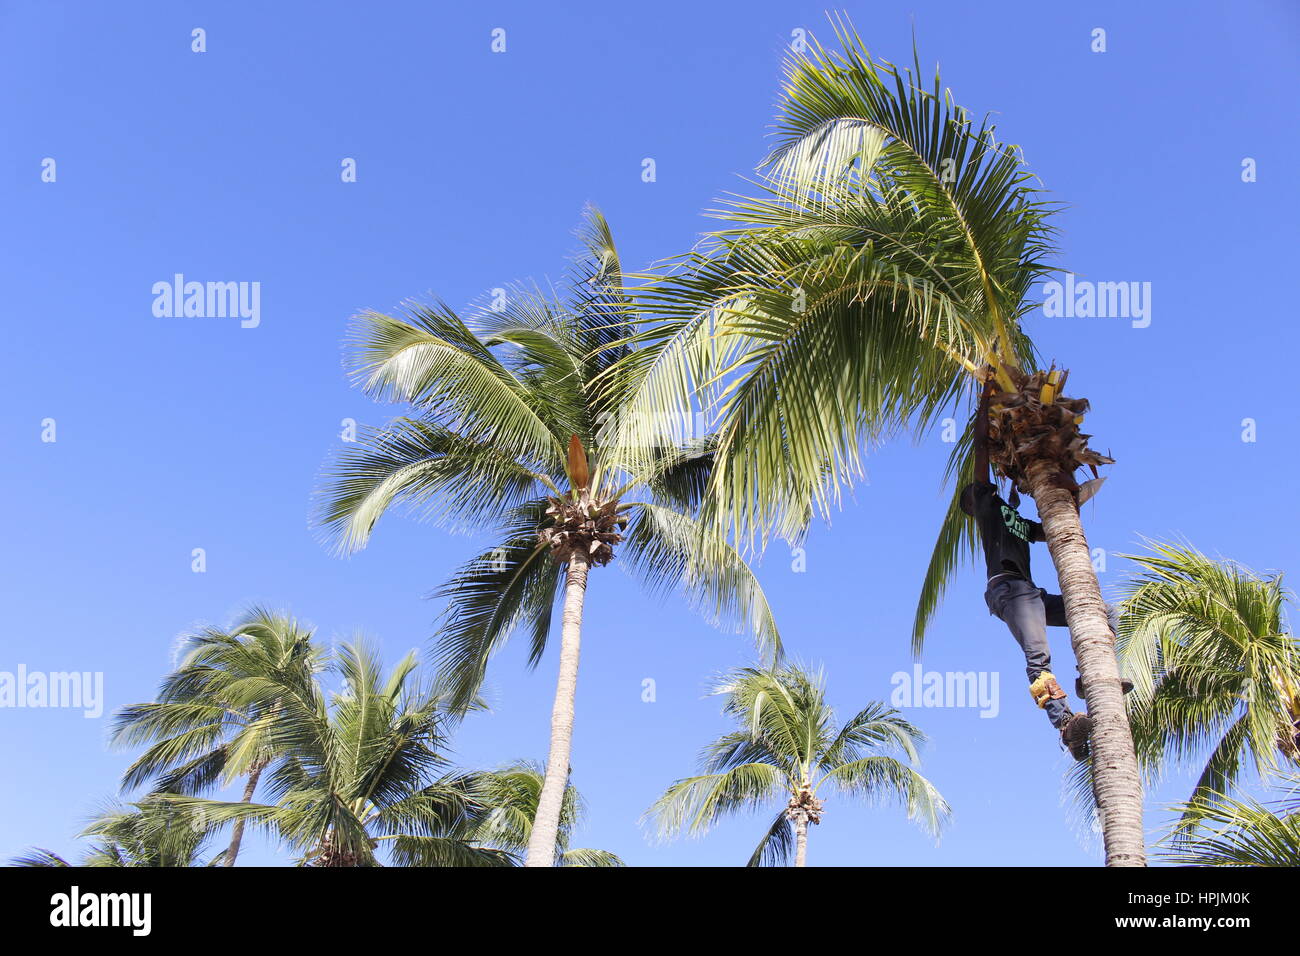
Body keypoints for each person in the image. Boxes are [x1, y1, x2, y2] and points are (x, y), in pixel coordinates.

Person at [959, 382, 1127, 760]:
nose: (980, 491)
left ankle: (1094, 677)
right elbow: (981, 450)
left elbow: (1055, 527)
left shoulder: (1014, 519)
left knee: (1104, 612)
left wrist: (1066, 489)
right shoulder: (987, 509)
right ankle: (1065, 724)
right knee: (1038, 658)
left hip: (1030, 593)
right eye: (975, 492)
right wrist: (985, 402)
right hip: (1008, 590)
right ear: (974, 502)